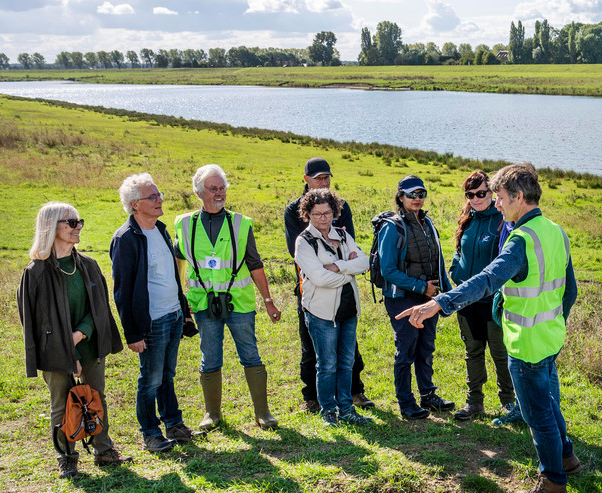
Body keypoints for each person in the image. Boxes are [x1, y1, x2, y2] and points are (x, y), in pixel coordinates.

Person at [397, 163, 580, 493]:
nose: (496, 203)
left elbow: (486, 280)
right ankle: (566, 458)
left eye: (500, 197)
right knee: (548, 401)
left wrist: (439, 303)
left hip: (526, 343)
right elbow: (570, 291)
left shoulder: (520, 241)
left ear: (519, 197)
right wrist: (555, 321)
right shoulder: (555, 231)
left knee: (537, 414)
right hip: (551, 336)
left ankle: (553, 484)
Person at [19, 202, 129, 477]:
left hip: (90, 343)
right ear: (51, 226)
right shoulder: (35, 273)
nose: (77, 227)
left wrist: (78, 336)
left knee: (96, 397)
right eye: (71, 222)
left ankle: (104, 450)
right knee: (61, 404)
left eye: (79, 222)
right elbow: (36, 320)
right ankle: (67, 457)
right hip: (55, 351)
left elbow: (100, 308)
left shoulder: (88, 265)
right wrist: (69, 354)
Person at [175, 164, 282, 430]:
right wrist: (180, 299)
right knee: (210, 357)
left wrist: (268, 301)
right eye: (213, 188)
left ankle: (263, 413)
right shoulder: (184, 224)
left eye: (222, 187)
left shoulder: (241, 223)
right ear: (199, 192)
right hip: (203, 303)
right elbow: (178, 261)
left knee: (250, 354)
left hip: (239, 302)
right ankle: (212, 414)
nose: (219, 193)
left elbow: (255, 264)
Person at [110, 173, 197, 454]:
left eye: (159, 195)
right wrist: (132, 334)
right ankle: (150, 434)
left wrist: (183, 310)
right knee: (150, 380)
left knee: (167, 375)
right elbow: (122, 291)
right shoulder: (125, 239)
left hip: (172, 315)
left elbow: (171, 275)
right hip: (151, 322)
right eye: (152, 197)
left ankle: (174, 424)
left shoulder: (160, 229)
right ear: (135, 204)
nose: (159, 200)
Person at [283, 156, 375, 414]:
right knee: (312, 345)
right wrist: (348, 269)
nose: (324, 182)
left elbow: (355, 251)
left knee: (348, 348)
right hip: (311, 289)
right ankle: (312, 397)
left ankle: (354, 392)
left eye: (327, 178)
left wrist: (340, 266)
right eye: (319, 178)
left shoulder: (341, 206)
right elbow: (299, 253)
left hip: (343, 294)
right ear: (306, 180)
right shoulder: (293, 210)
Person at [376, 175, 455, 420]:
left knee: (426, 346)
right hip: (402, 298)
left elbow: (438, 262)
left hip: (429, 298)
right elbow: (387, 270)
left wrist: (446, 294)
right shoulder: (392, 227)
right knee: (406, 348)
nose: (417, 199)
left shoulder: (428, 223)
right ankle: (406, 402)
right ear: (400, 197)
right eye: (411, 194)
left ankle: (428, 395)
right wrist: (422, 288)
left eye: (421, 194)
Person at [447, 170, 517, 422]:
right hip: (468, 301)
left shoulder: (502, 221)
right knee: (473, 351)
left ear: (491, 192)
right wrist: (455, 271)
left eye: (481, 193)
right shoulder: (468, 218)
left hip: (493, 302)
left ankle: (510, 402)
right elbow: (459, 251)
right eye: (470, 194)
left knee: (500, 353)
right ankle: (474, 402)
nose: (476, 198)